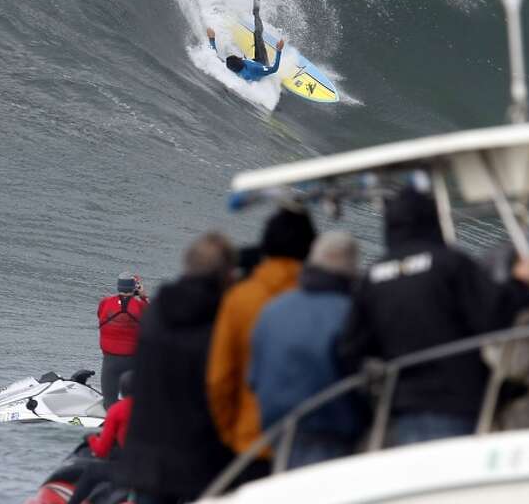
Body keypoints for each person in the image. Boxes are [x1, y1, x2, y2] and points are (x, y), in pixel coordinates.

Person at [337, 187, 529, 447]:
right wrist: (519, 283)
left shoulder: (372, 278)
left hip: (404, 406)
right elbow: (493, 316)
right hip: (457, 401)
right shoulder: (450, 263)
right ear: (431, 219)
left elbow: (350, 349)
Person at [120, 233, 237, 504]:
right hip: (197, 458)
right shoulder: (221, 319)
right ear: (226, 274)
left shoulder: (156, 312)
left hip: (146, 455)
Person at [207, 206, 316, 480]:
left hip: (252, 440)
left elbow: (219, 379)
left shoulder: (240, 299)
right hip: (311, 442)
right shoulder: (327, 299)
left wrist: (230, 434)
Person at [249, 232, 366, 469]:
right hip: (329, 429)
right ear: (352, 270)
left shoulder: (273, 310)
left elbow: (252, 378)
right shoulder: (351, 314)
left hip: (274, 429)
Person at [66, 371, 135, 504]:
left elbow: (101, 451)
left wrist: (91, 438)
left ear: (122, 390)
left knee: (92, 471)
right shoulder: (158, 409)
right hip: (161, 471)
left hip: (133, 471)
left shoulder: (117, 410)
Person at [98, 273, 148, 408]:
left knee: (109, 401)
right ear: (134, 288)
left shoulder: (105, 302)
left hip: (110, 360)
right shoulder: (140, 306)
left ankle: (110, 422)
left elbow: (100, 316)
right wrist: (143, 297)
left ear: (118, 286)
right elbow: (152, 319)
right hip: (132, 361)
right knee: (133, 402)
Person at [206, 0, 285, 82]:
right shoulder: (255, 68)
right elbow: (273, 69)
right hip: (261, 63)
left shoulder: (228, 67)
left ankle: (256, 14)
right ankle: (256, 13)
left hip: (249, 65)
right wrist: (279, 51)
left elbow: (213, 55)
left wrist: (211, 39)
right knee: (257, 34)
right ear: (241, 61)